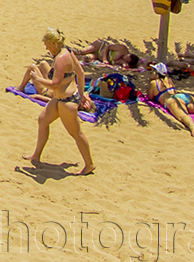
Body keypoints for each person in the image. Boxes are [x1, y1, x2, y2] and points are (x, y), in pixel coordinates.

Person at [16, 28, 95, 175]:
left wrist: (38, 79)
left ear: (54, 42)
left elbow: (55, 84)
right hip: (60, 99)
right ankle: (36, 155)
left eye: (47, 44)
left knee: (76, 133)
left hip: (67, 102)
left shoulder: (60, 59)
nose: (46, 47)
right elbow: (80, 73)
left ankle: (89, 165)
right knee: (43, 120)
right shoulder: (67, 51)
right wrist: (81, 94)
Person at [78, 38, 143, 70]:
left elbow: (127, 69)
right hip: (100, 46)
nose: (126, 58)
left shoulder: (122, 62)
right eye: (128, 57)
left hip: (97, 56)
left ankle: (69, 57)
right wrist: (105, 58)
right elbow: (108, 46)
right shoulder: (122, 49)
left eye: (127, 60)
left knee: (85, 58)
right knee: (81, 52)